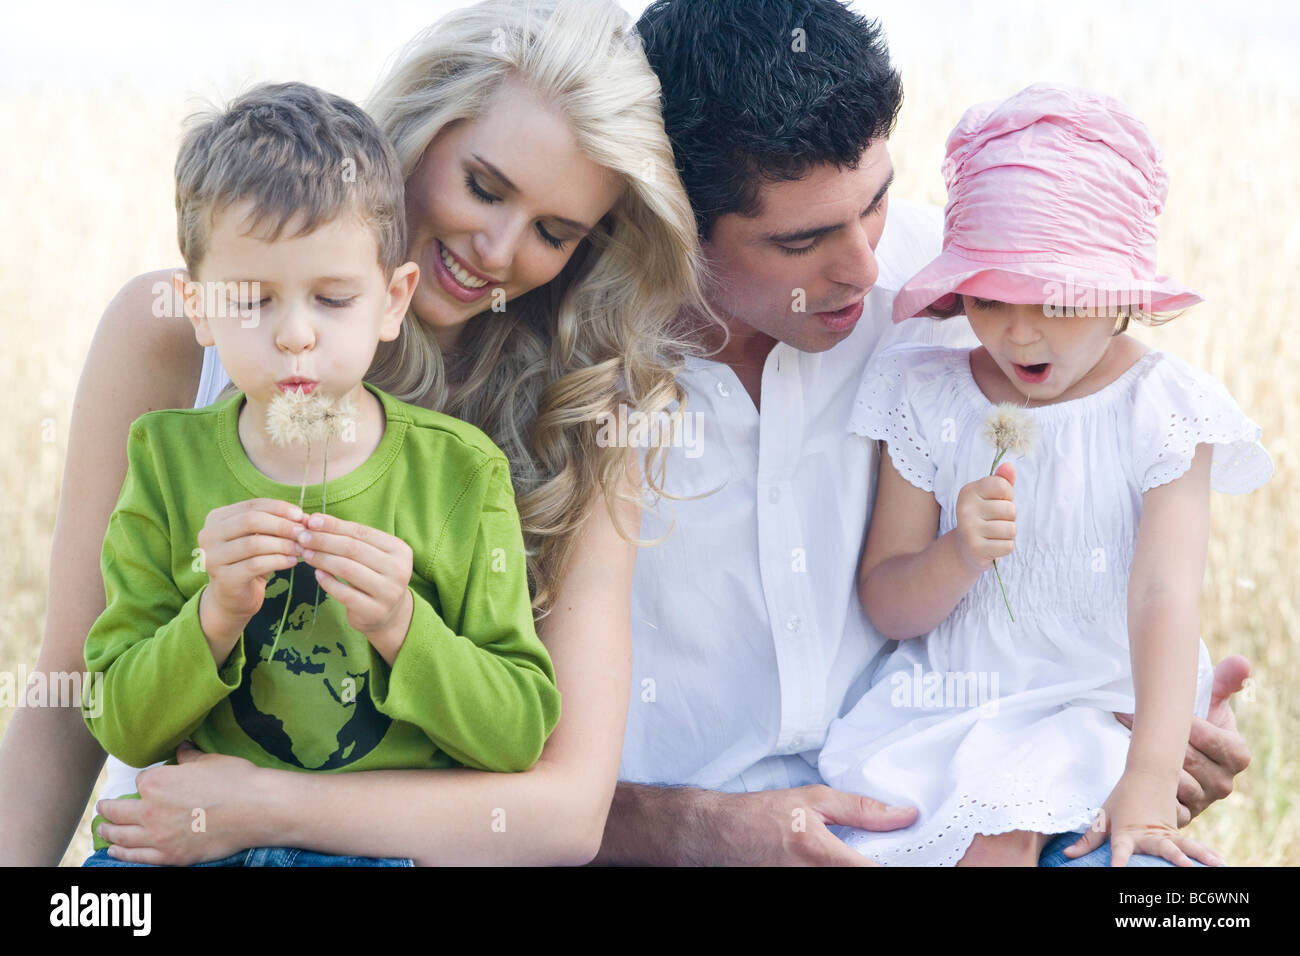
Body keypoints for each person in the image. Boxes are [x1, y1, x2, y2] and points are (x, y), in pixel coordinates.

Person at [0, 0, 709, 866]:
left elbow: (560, 813)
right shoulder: (175, 339)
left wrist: (264, 807)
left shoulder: (588, 416)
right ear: (414, 131)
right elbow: (69, 695)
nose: (496, 247)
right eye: (484, 186)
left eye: (553, 232)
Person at [595, 0, 1256, 866]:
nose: (867, 269)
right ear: (671, 220)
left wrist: (1154, 736)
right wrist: (689, 830)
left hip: (984, 782)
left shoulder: (962, 282)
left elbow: (1131, 538)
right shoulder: (562, 373)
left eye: (874, 202)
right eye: (802, 241)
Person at [80, 81, 562, 867]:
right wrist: (215, 614)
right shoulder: (166, 462)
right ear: (197, 307)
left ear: (391, 300)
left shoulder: (459, 475)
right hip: (188, 850)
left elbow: (516, 732)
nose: (296, 335)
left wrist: (405, 626)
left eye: (333, 299)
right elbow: (118, 720)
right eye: (251, 301)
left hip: (376, 855)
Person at [814, 83, 1272, 867]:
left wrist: (1152, 776)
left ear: (1120, 291)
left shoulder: (1163, 410)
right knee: (978, 846)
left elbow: (1164, 596)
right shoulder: (926, 395)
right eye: (988, 300)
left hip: (1105, 716)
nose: (1018, 331)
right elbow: (888, 603)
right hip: (951, 717)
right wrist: (958, 554)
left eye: (1052, 302)